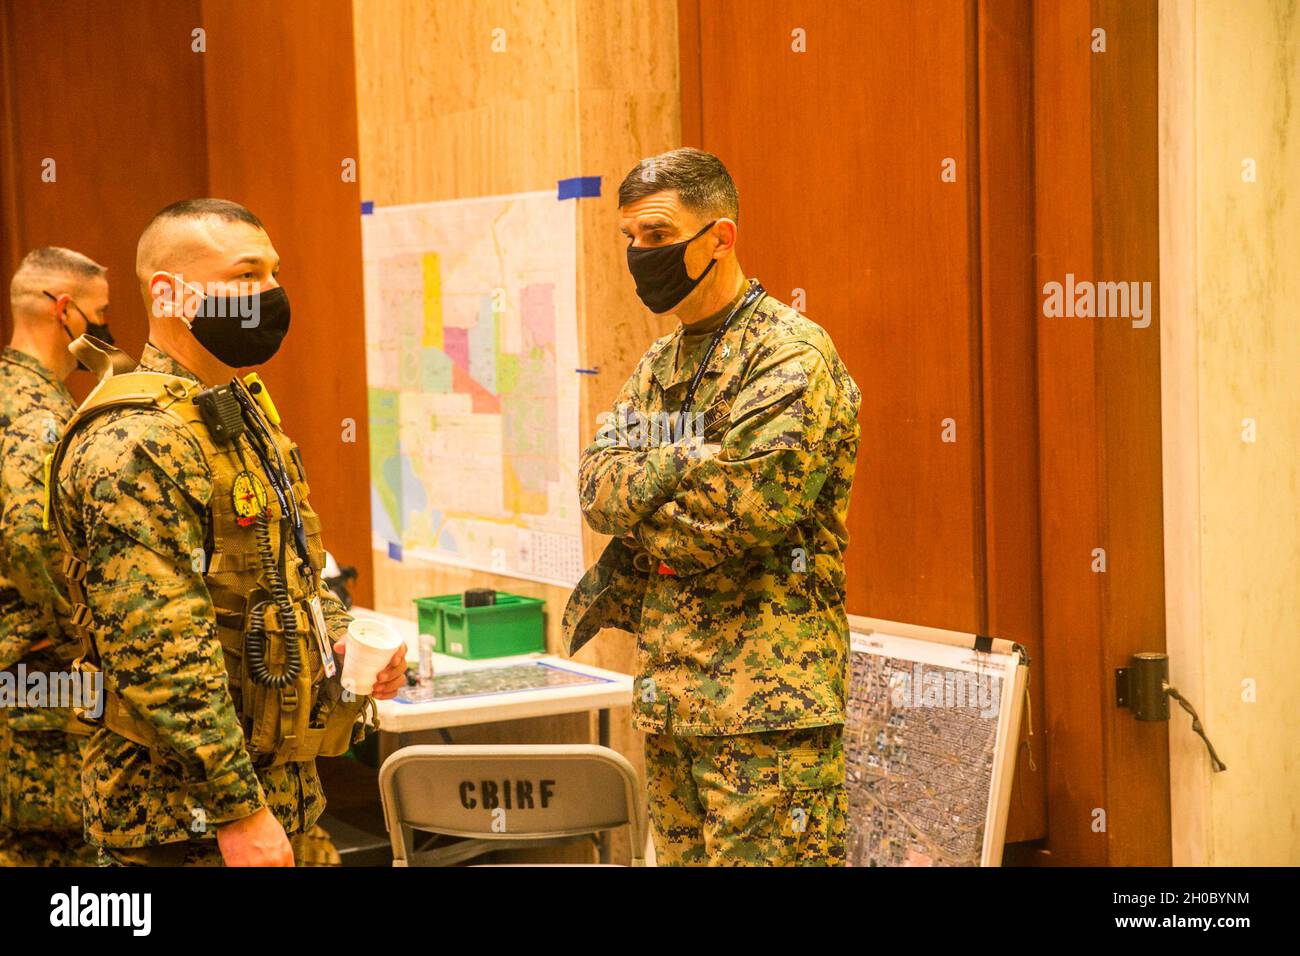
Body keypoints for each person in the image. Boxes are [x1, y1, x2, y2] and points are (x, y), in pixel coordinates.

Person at [49, 199, 407, 866]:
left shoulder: (235, 406)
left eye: (274, 274)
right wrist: (236, 810)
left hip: (286, 799)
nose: (270, 293)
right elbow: (160, 649)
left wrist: (338, 634)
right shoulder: (134, 442)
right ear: (169, 293)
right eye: (246, 277)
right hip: (186, 825)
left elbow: (289, 567)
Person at [564, 148, 861, 865]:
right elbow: (595, 487)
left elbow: (734, 518)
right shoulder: (661, 364)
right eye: (631, 239)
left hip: (767, 718)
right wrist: (684, 460)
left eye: (659, 236)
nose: (641, 255)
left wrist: (650, 494)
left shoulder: (790, 355)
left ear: (720, 237)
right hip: (672, 704)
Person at [0, 247, 113, 866]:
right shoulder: (37, 414)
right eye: (100, 313)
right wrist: (90, 638)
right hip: (39, 677)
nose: (104, 328)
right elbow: (31, 540)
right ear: (64, 311)